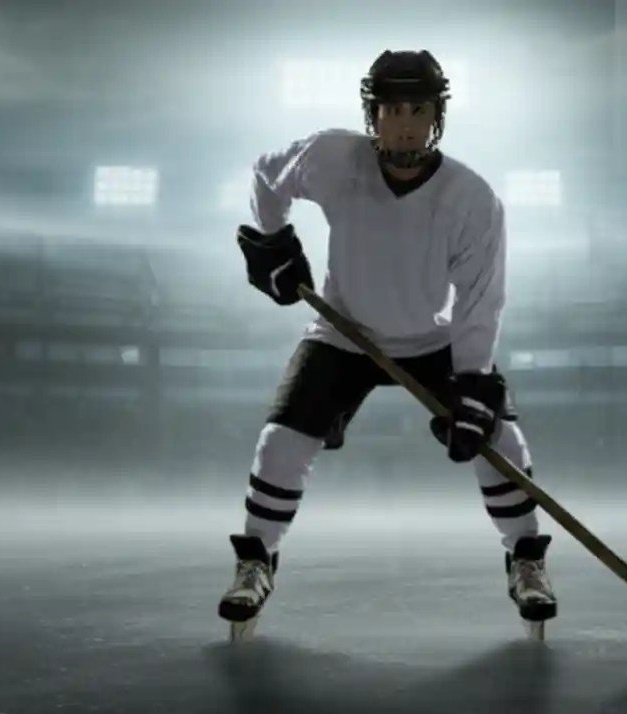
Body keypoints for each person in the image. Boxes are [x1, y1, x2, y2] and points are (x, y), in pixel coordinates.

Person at [220, 49, 556, 634]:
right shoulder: (332, 158)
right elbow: (265, 174)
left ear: (437, 116)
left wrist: (473, 383)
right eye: (392, 108)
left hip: (430, 338)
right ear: (371, 114)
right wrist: (269, 242)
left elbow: (481, 301)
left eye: (418, 109)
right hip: (342, 331)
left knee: (499, 438)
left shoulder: (472, 201)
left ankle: (525, 560)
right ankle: (256, 560)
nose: (405, 122)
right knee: (280, 442)